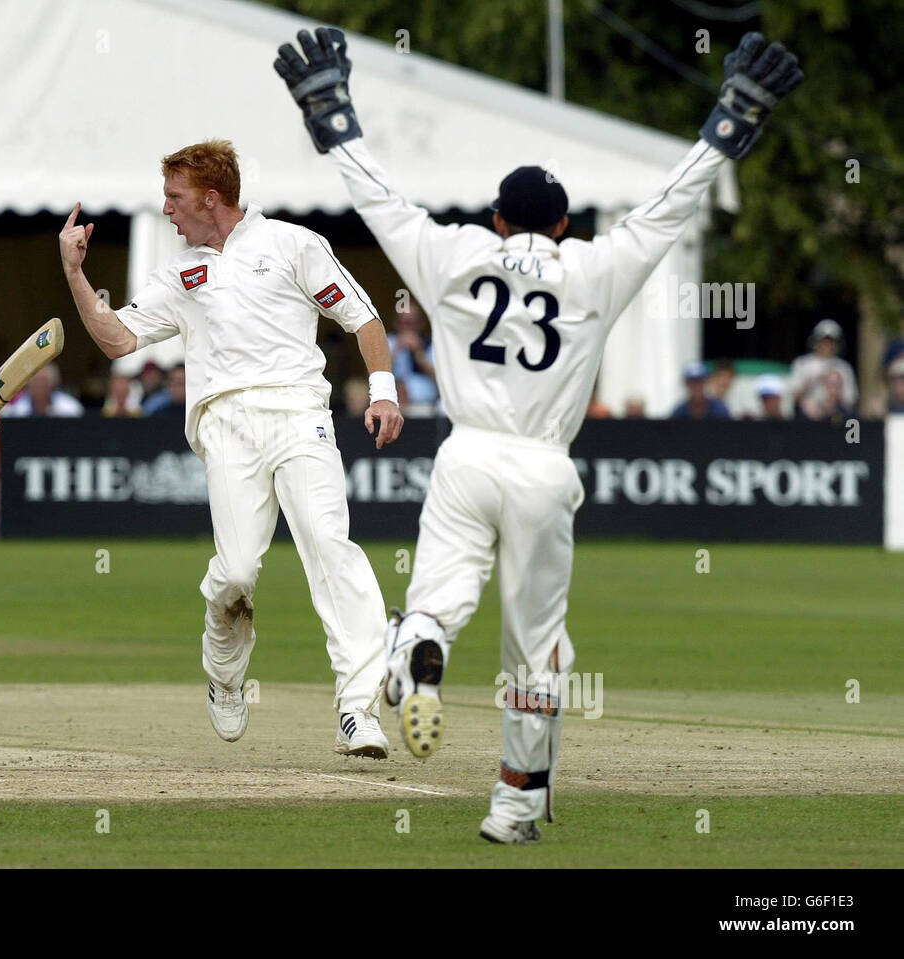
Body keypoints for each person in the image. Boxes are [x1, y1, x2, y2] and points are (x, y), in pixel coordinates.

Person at [274, 28, 800, 841]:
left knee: (438, 601)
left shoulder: (451, 254)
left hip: (467, 452)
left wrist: (333, 115)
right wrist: (730, 121)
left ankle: (416, 644)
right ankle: (515, 802)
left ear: (495, 218)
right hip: (544, 466)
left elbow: (380, 199)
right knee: (537, 651)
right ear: (559, 225)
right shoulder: (593, 267)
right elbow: (667, 208)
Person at [59, 139, 404, 758]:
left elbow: (365, 318)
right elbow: (116, 340)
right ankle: (223, 670)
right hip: (225, 424)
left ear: (210, 197)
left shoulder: (293, 245)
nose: (165, 209)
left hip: (300, 413)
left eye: (174, 197)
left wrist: (383, 392)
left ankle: (358, 709)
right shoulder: (180, 272)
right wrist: (76, 275)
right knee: (239, 570)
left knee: (330, 547)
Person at [791, 319, 857, 417]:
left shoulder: (844, 368)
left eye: (831, 342)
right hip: (806, 417)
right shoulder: (802, 364)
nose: (827, 345)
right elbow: (793, 395)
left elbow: (851, 399)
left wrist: (834, 397)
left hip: (836, 416)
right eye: (823, 341)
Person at [387, 304, 437, 410]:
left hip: (424, 404)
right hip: (392, 403)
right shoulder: (388, 342)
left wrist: (418, 352)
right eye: (403, 323)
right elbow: (373, 374)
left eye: (411, 323)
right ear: (396, 323)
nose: (407, 328)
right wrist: (397, 350)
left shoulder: (432, 344)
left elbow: (439, 379)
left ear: (421, 324)